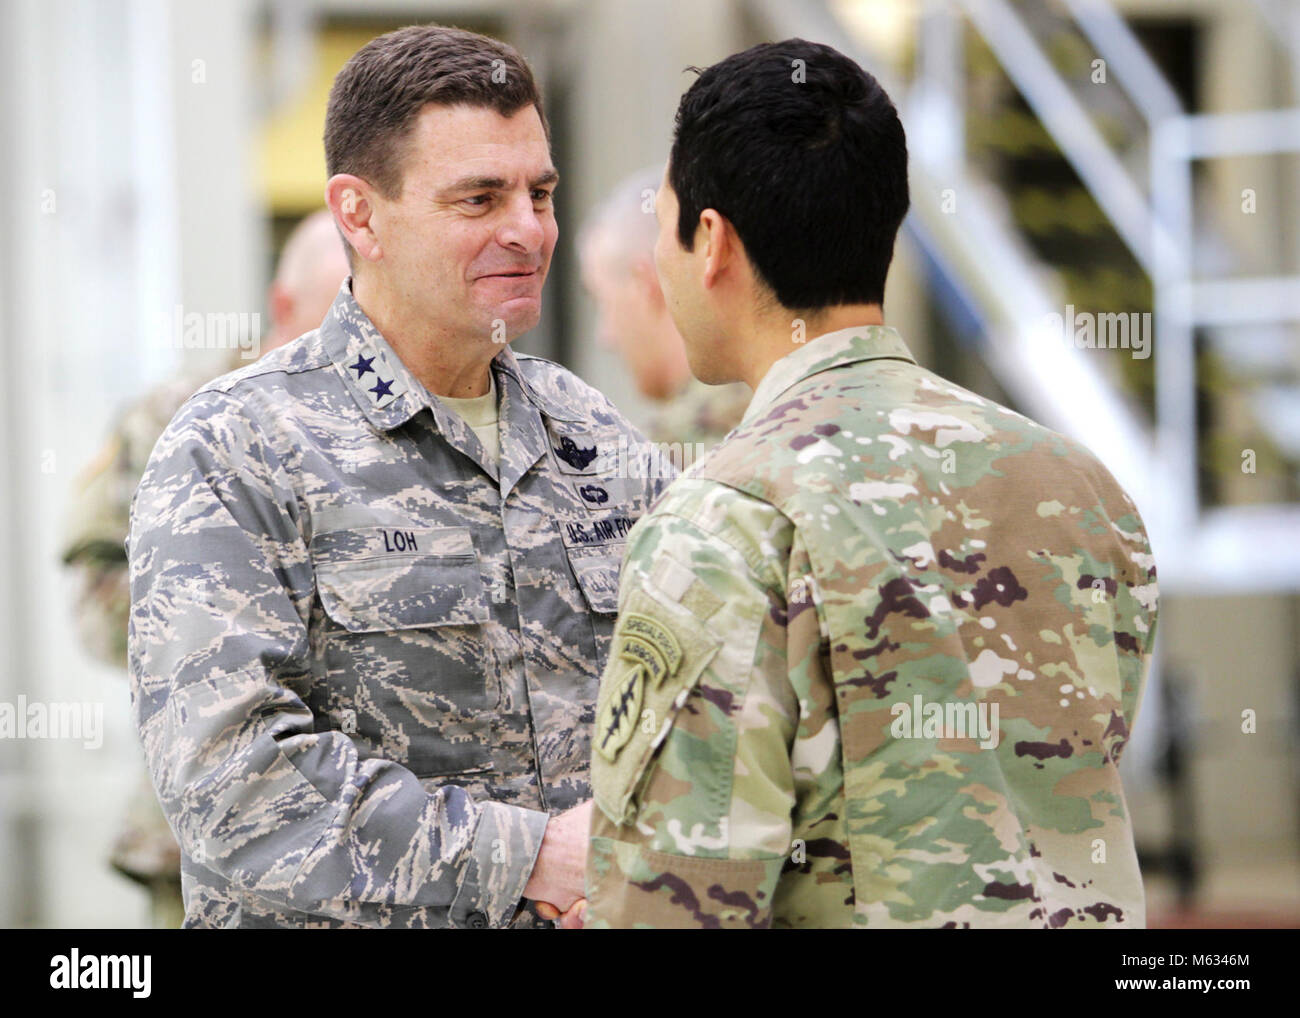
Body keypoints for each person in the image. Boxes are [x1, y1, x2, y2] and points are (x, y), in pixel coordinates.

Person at [584, 39, 1158, 928]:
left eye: (662, 223)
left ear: (710, 241)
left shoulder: (728, 518)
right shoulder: (1080, 485)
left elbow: (670, 901)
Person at [127, 24, 669, 929]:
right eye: (479, 199)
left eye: (540, 192)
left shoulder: (592, 435)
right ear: (358, 213)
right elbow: (231, 781)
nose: (527, 230)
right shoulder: (234, 448)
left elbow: (688, 700)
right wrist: (532, 858)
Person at [61, 207, 349, 927]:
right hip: (204, 821)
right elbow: (93, 609)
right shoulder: (177, 418)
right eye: (337, 315)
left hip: (363, 826)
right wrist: (231, 602)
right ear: (283, 306)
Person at [578, 168, 749, 451]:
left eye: (603, 303)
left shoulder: (672, 448)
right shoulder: (790, 393)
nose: (605, 337)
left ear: (646, 283)